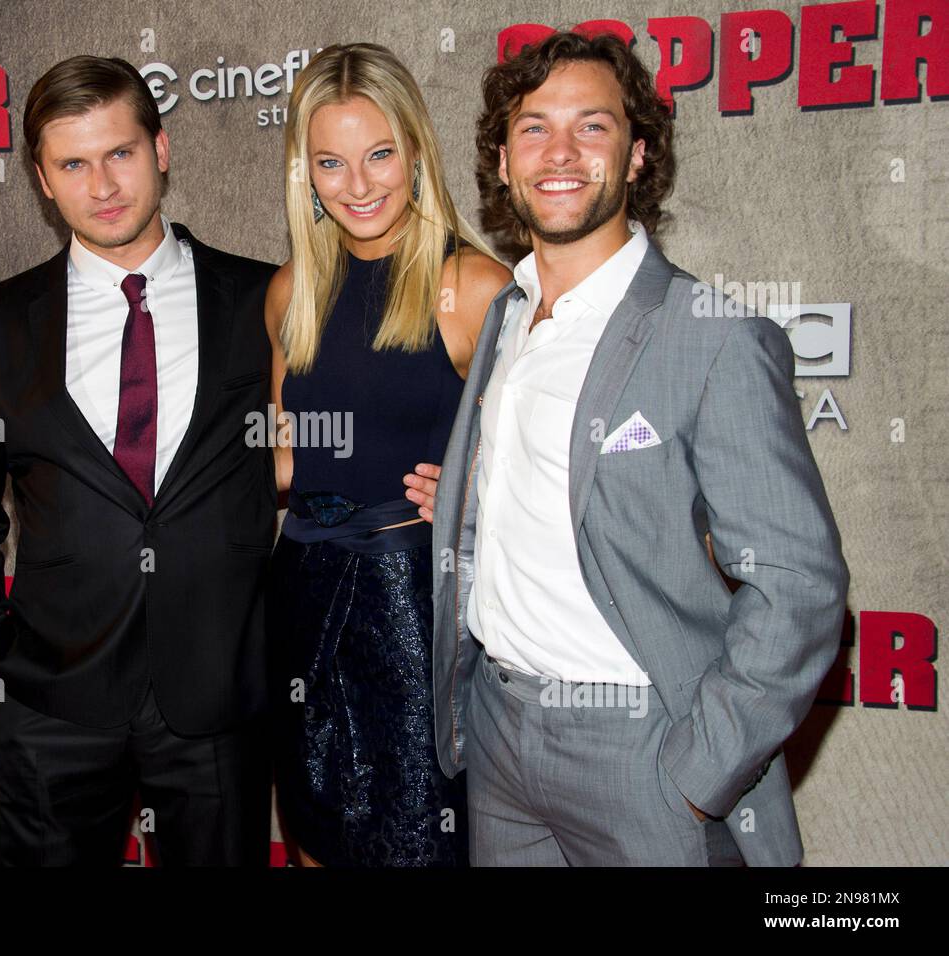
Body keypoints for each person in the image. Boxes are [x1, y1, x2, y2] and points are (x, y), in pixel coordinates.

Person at [426, 30, 850, 866]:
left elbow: (800, 585)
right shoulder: (506, 314)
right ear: (503, 161)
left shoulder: (712, 338)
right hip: (500, 737)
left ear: (636, 155)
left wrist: (697, 774)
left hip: (643, 754)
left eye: (593, 126)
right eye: (534, 127)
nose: (560, 151)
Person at [0, 55, 277, 866]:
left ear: (162, 148)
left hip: (218, 702)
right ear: (43, 181)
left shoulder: (264, 300)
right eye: (73, 163)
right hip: (53, 705)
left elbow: (327, 448)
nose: (103, 184)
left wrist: (420, 489)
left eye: (119, 152)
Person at [264, 42, 512, 867]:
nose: (359, 185)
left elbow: (552, 464)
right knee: (312, 832)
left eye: (379, 155)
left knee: (417, 841)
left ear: (415, 151)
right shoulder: (290, 291)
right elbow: (286, 461)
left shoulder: (472, 286)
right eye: (332, 163)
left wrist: (482, 496)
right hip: (300, 586)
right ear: (306, 173)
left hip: (410, 601)